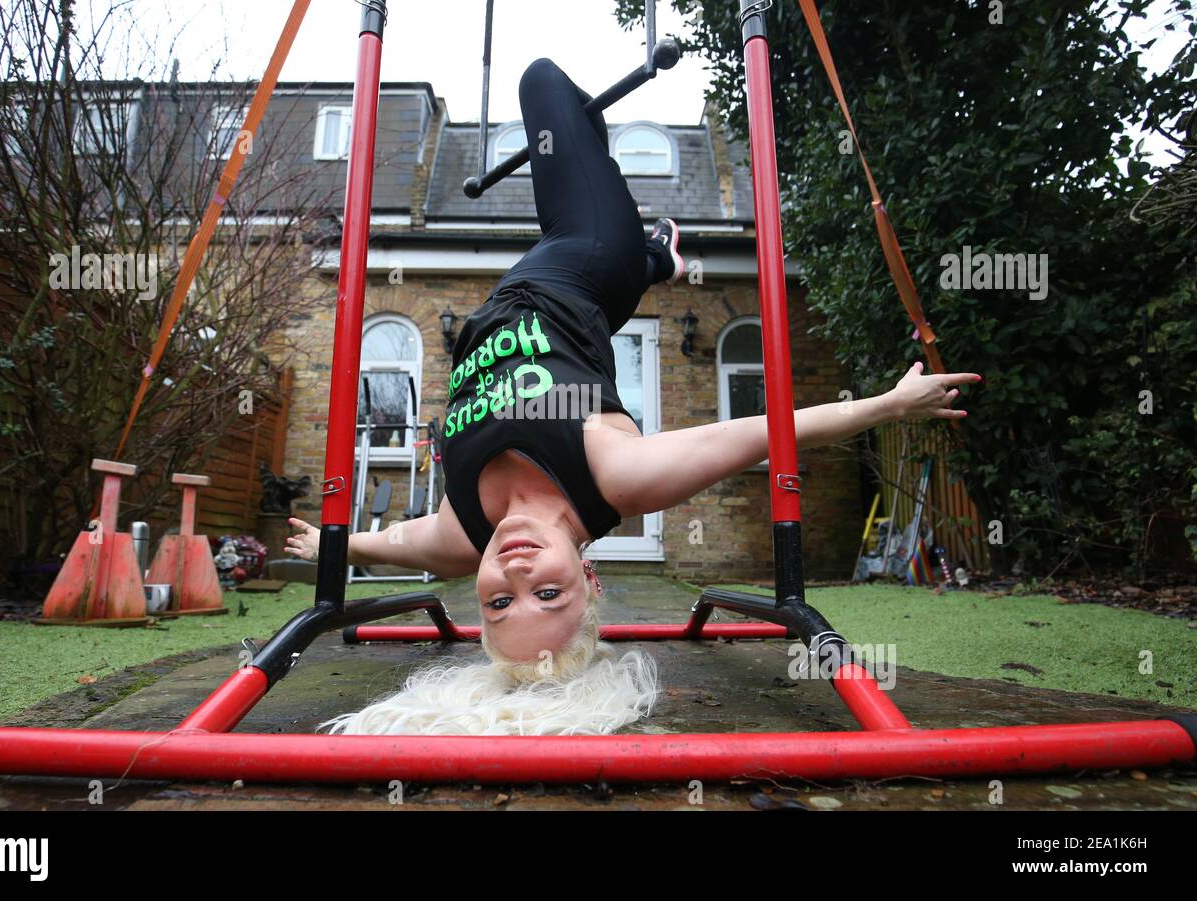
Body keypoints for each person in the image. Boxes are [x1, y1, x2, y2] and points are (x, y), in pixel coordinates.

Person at [287, 58, 980, 735]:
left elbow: (392, 541)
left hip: (520, 287)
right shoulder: (614, 475)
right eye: (548, 592)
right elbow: (766, 432)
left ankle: (658, 257)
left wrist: (335, 546)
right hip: (588, 258)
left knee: (565, 136)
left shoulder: (461, 534)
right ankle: (641, 248)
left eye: (499, 600)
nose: (519, 571)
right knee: (542, 83)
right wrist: (887, 406)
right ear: (591, 581)